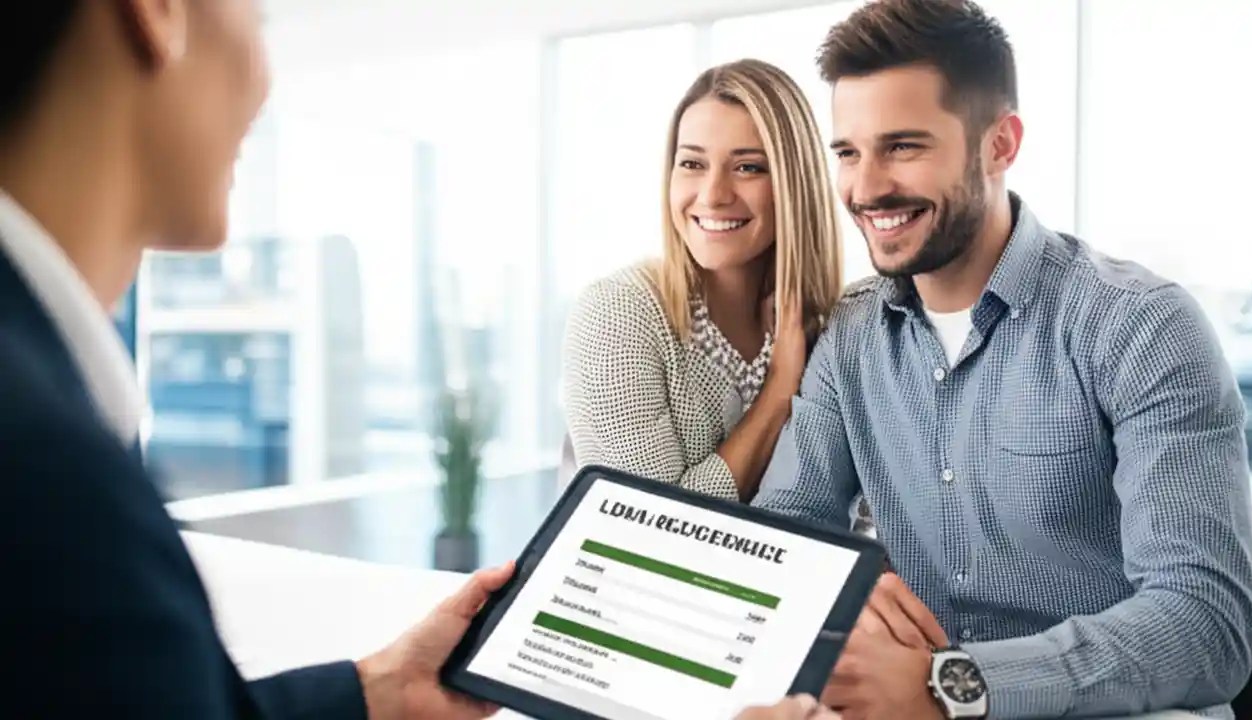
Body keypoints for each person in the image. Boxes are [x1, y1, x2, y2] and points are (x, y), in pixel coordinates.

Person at [0, 2, 841, 718]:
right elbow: (654, 548)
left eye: (749, 167)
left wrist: (376, 688)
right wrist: (775, 402)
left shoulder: (58, 435)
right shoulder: (48, 465)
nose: (266, 81)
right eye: (258, 11)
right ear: (156, 13)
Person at [751, 1, 1252, 718]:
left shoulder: (1142, 326)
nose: (865, 189)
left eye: (902, 147)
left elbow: (1207, 627)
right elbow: (785, 538)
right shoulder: (852, 337)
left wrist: (952, 685)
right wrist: (839, 585)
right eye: (847, 152)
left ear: (1000, 144)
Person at [561, 58, 846, 505]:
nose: (713, 194)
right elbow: (651, 526)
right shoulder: (619, 311)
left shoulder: (836, 326)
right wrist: (779, 389)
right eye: (692, 163)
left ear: (795, 184)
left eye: (748, 167)